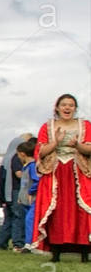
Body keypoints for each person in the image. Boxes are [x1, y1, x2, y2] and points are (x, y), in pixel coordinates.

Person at [31, 93, 91, 262]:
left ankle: (84, 252)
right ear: (57, 107)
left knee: (82, 210)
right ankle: (55, 252)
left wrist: (77, 145)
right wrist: (55, 142)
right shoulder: (48, 126)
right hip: (55, 172)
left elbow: (89, 149)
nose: (67, 108)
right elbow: (40, 152)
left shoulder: (85, 125)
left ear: (75, 108)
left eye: (71, 105)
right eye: (64, 105)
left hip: (78, 171)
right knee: (57, 210)